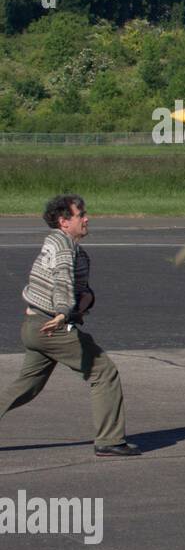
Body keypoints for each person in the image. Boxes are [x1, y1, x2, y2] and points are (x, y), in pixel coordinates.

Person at [0, 194, 139, 457]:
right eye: (80, 214)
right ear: (64, 221)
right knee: (103, 371)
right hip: (51, 327)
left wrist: (86, 300)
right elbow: (62, 280)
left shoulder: (71, 248)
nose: (87, 218)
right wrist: (64, 312)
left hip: (36, 326)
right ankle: (110, 440)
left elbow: (79, 289)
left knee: (26, 387)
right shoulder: (63, 246)